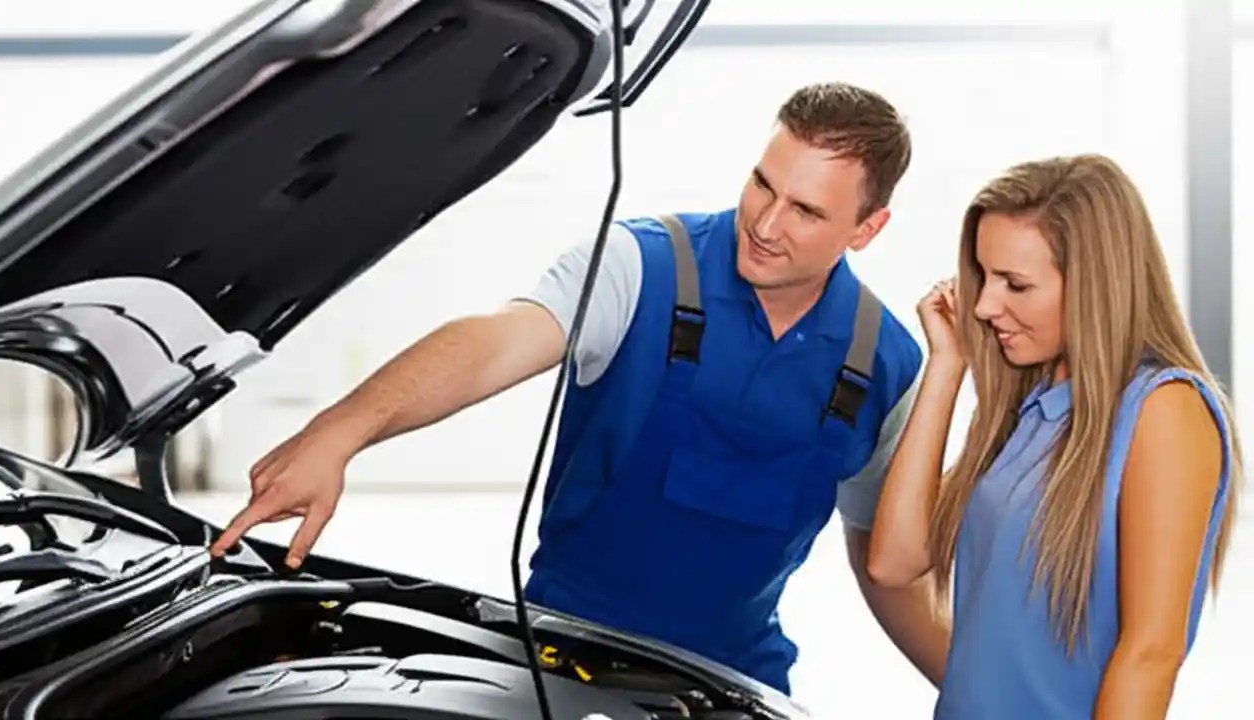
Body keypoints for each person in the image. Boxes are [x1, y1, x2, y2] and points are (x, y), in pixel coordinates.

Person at [209, 81, 952, 695]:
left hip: (731, 686)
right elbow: (495, 340)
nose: (764, 220)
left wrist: (979, 690)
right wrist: (341, 431)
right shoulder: (641, 266)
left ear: (867, 228)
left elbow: (885, 568)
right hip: (560, 662)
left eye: (807, 210)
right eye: (764, 183)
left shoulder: (883, 363)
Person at [867, 153, 1243, 718]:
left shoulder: (1165, 410)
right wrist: (946, 366)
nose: (986, 305)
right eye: (983, 276)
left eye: (1016, 285)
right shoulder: (1030, 408)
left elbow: (1151, 652)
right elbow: (893, 562)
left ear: (1096, 285)